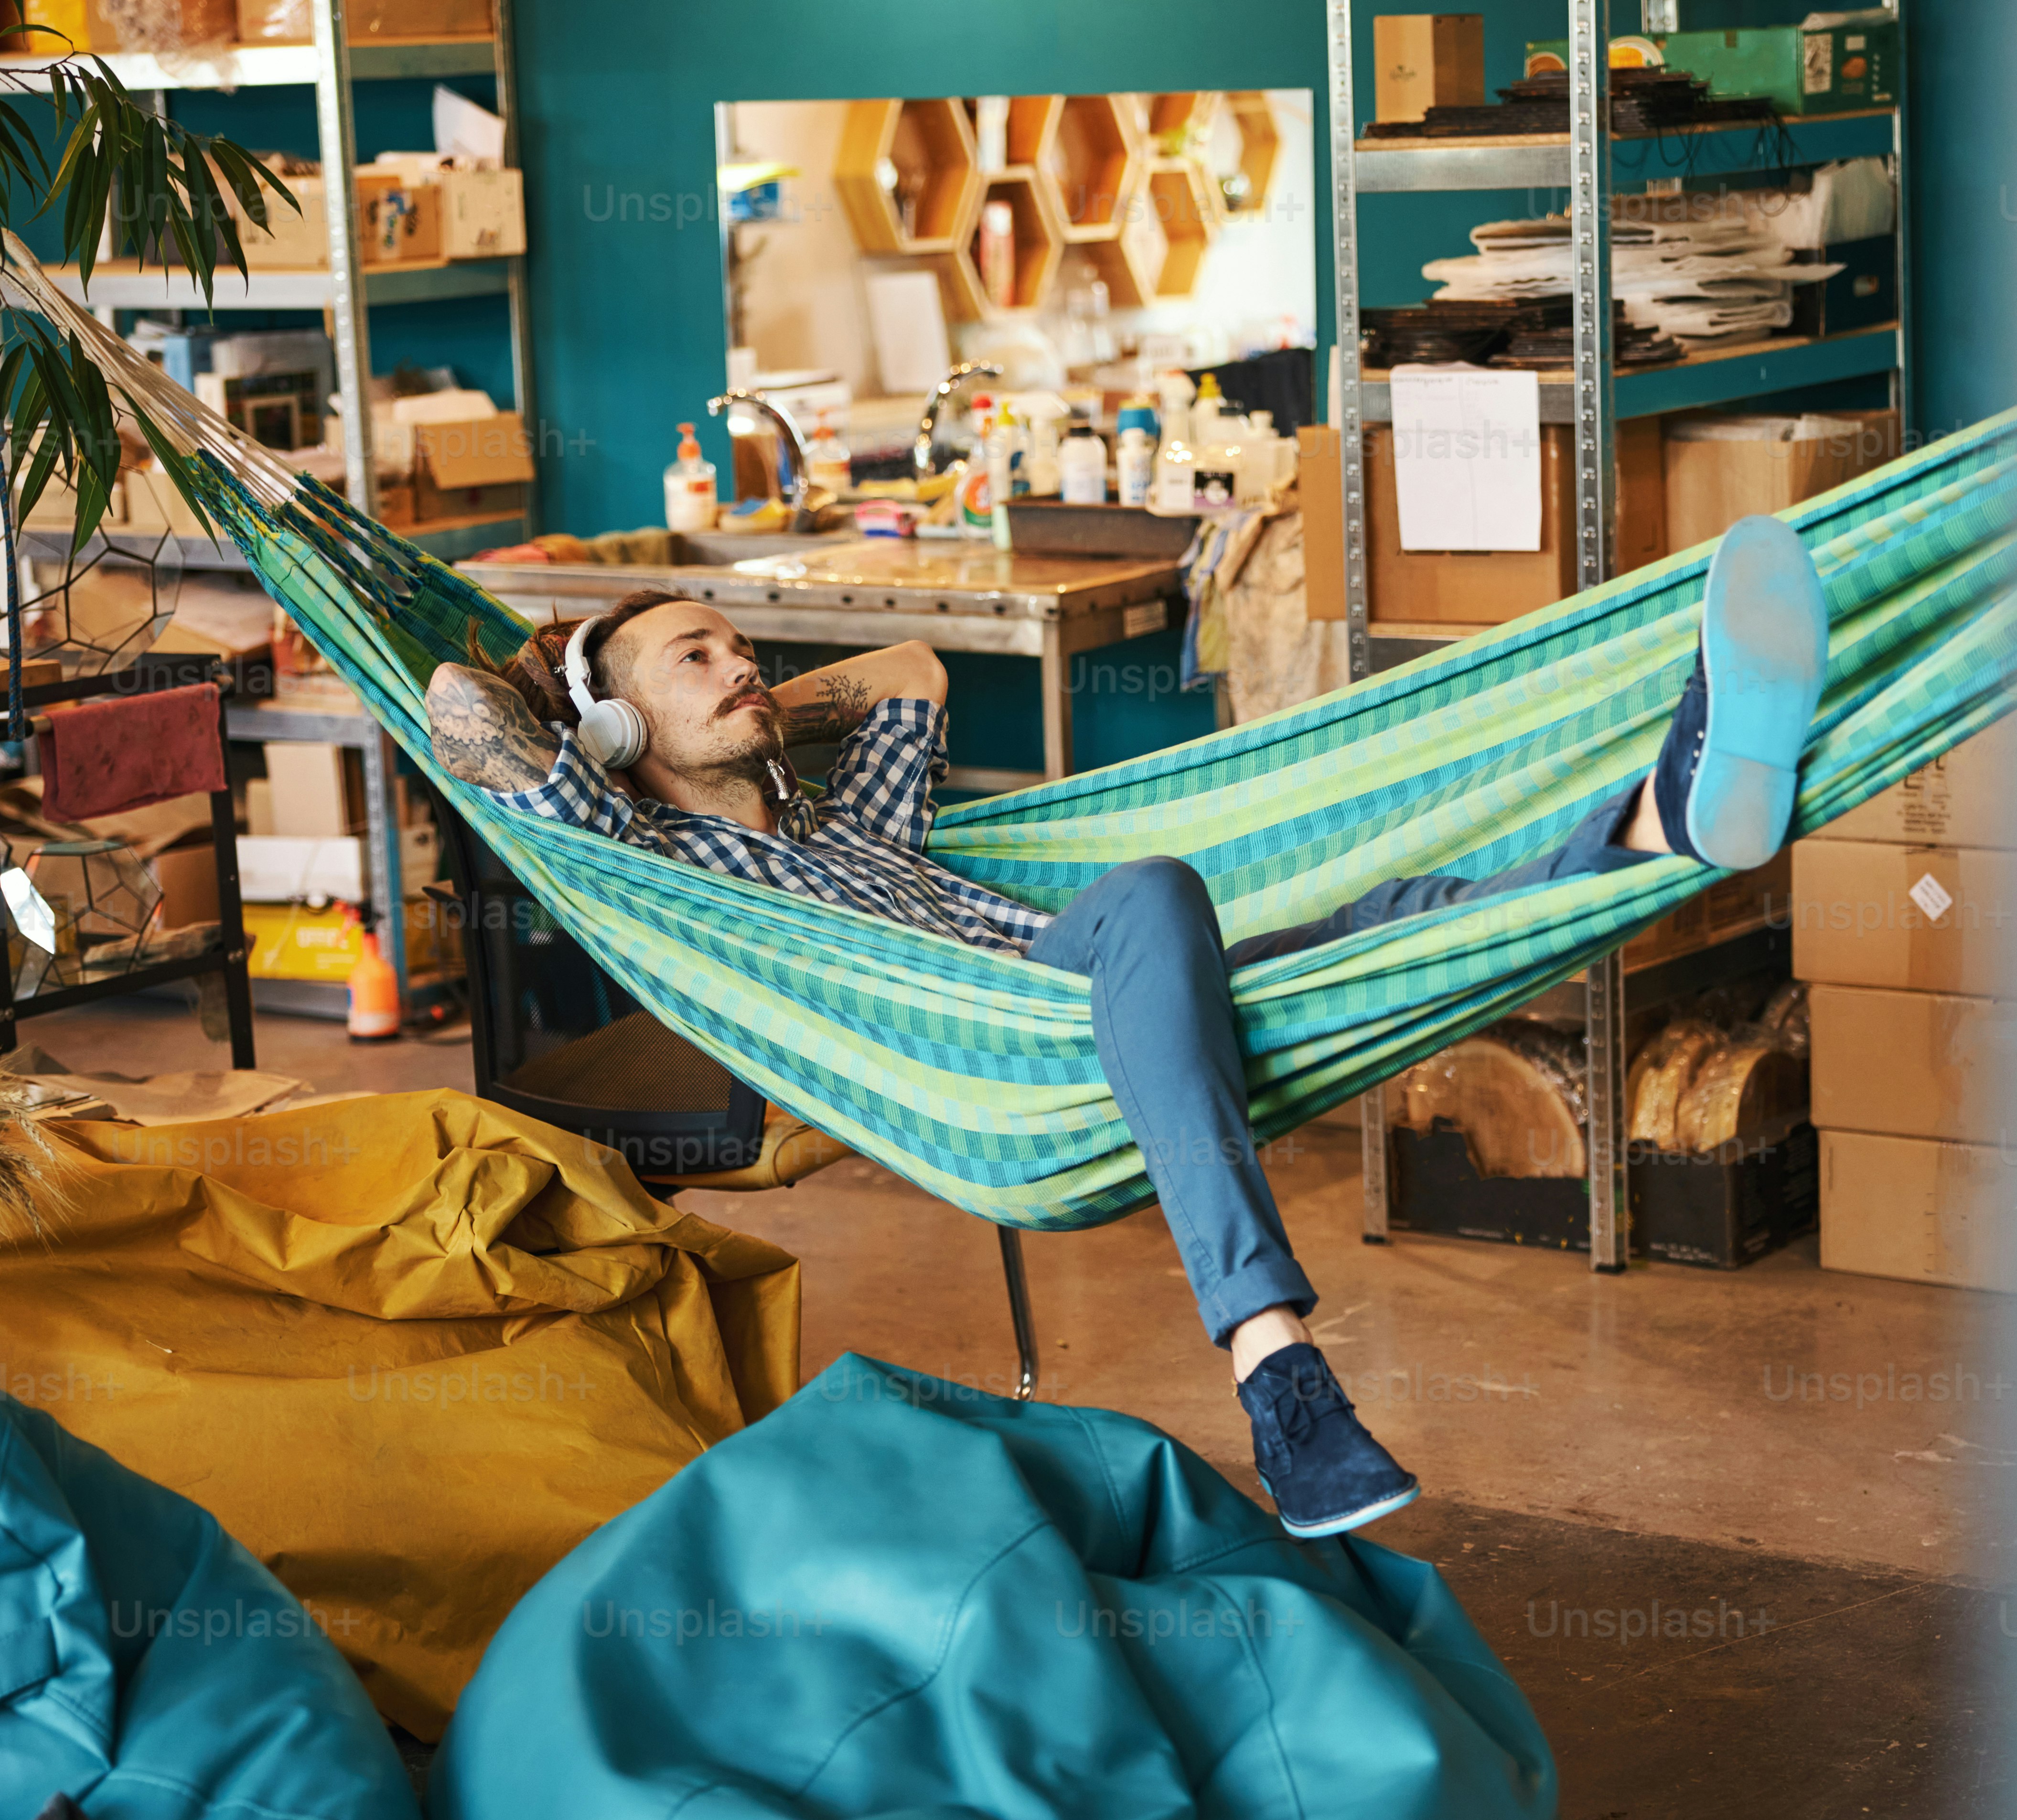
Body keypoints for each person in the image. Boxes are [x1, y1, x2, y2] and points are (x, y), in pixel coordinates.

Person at [422, 514, 1827, 1542]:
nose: (741, 666)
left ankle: (1659, 822)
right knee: (1155, 889)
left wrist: (736, 699)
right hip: (984, 1046)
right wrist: (606, 726)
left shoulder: (844, 817)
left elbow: (909, 668)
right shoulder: (665, 866)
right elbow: (459, 715)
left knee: (1393, 911)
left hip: (1083, 991)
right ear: (612, 728)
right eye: (697, 657)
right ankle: (1272, 1363)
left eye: (742, 645)